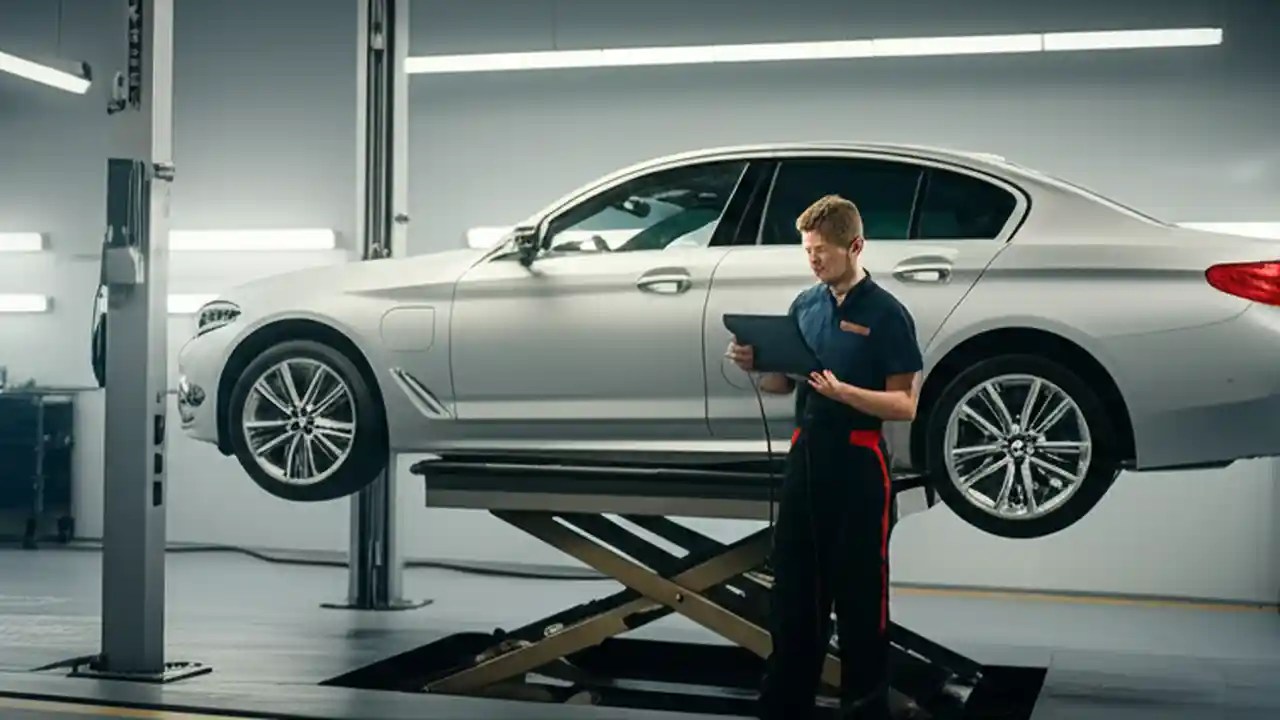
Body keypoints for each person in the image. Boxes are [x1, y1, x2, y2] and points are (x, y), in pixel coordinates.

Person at [727, 194, 924, 720]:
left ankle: (865, 709)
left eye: (823, 251)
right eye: (808, 250)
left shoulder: (888, 315)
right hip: (804, 462)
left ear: (854, 246)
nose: (813, 260)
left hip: (859, 466)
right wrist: (757, 361)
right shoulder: (804, 306)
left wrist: (846, 395)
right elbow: (778, 384)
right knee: (792, 598)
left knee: (861, 602)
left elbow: (905, 404)